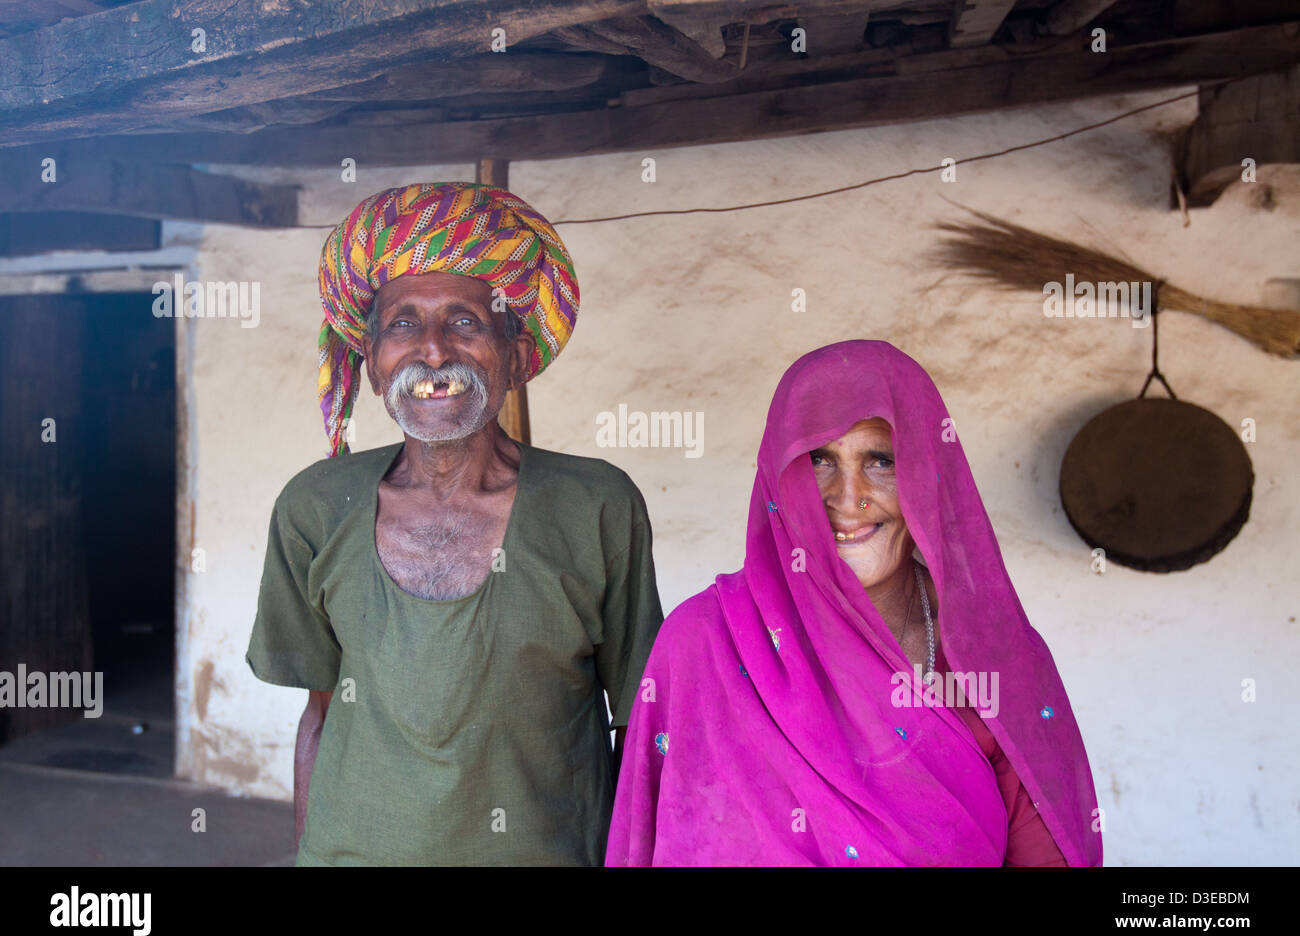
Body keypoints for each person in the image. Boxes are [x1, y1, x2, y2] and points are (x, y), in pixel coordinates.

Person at [246, 182, 663, 865]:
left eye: (466, 322)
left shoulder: (598, 507)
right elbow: (320, 714)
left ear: (513, 353)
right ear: (372, 363)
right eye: (404, 323)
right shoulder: (315, 508)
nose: (434, 351)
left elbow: (642, 723)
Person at [607, 339, 1102, 866]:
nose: (849, 498)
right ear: (778, 477)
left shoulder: (994, 655)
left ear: (928, 474)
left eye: (880, 461)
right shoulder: (703, 642)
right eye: (818, 460)